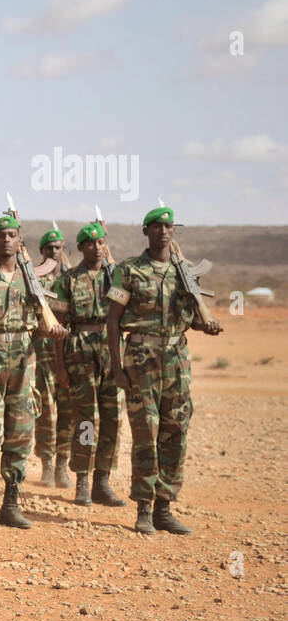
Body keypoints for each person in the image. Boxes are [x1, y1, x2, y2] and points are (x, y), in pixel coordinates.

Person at [106, 205, 222, 534]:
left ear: (174, 232)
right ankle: (143, 508)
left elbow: (195, 320)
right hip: (141, 358)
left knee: (176, 432)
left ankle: (164, 508)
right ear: (146, 232)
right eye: (156, 226)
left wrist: (207, 323)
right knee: (146, 433)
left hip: (176, 359)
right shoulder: (127, 271)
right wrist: (117, 366)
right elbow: (113, 320)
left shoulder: (186, 272)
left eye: (169, 226)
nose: (163, 231)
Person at [0, 216, 68, 528]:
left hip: (23, 357)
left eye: (12, 235)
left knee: (20, 433)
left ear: (19, 241)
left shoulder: (32, 279)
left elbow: (41, 324)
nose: (7, 240)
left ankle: (11, 502)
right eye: (1, 235)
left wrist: (53, 330)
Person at [51, 222, 126, 508]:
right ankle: (82, 479)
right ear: (81, 248)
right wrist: (59, 366)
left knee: (112, 418)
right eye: (90, 243)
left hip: (111, 351)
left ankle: (102, 481)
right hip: (80, 351)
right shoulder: (68, 280)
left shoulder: (117, 277)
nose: (96, 248)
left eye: (101, 242)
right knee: (85, 419)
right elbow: (59, 326)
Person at [33, 229, 74, 489]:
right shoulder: (35, 279)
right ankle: (47, 463)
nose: (54, 252)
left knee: (68, 412)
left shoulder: (71, 280)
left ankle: (62, 463)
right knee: (45, 411)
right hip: (43, 354)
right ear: (42, 251)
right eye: (49, 248)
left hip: (71, 353)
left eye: (58, 247)